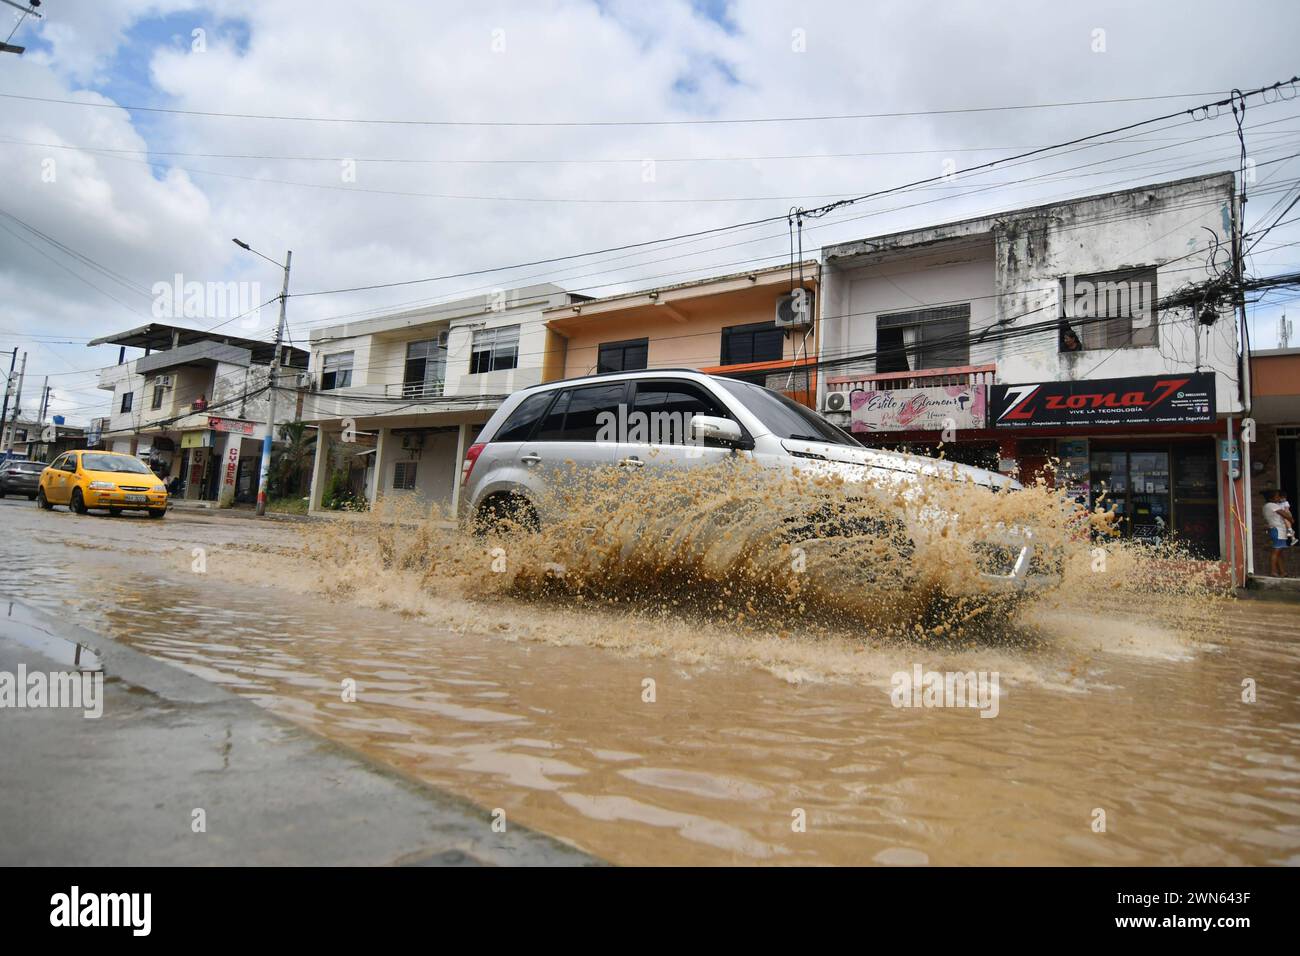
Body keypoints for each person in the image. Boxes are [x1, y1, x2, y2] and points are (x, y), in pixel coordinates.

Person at [1262, 488, 1295, 577]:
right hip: (1278, 530)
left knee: (1279, 552)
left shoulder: (1266, 506)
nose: (1279, 498)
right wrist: (1291, 519)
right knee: (1276, 551)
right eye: (1277, 497)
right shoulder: (1273, 505)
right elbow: (1284, 514)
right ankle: (1273, 571)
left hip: (1276, 529)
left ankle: (1282, 572)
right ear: (1271, 499)